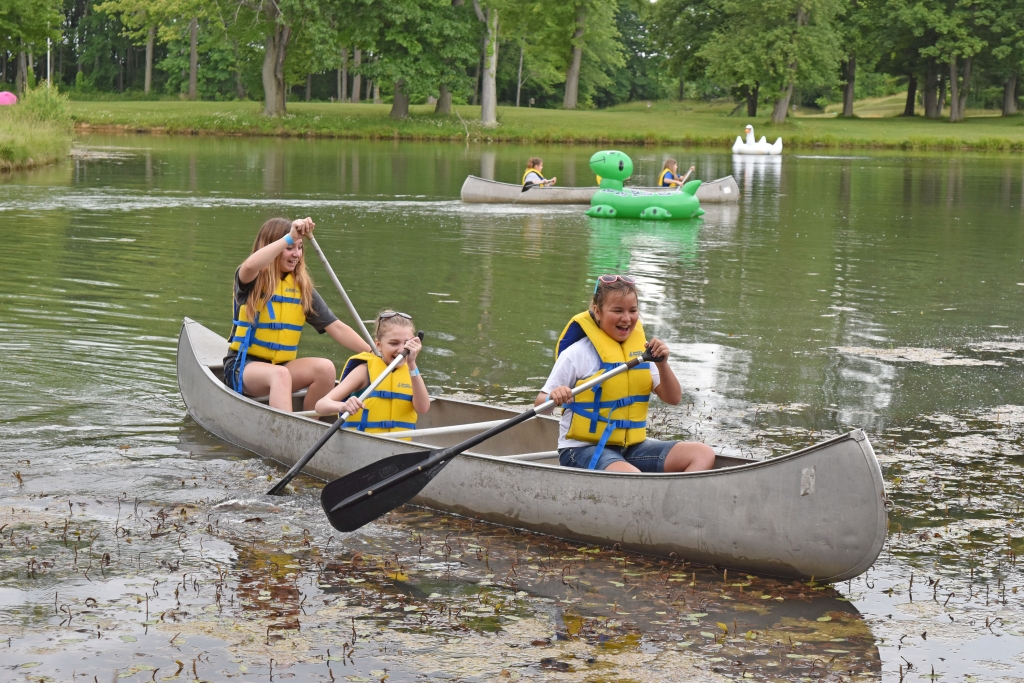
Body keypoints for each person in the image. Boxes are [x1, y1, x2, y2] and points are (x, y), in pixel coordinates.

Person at [535, 275, 716, 473]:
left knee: (702, 454)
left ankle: (675, 501)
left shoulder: (643, 353)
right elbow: (540, 406)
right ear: (597, 311)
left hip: (631, 449)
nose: (627, 318)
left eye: (633, 310)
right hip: (581, 450)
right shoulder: (577, 354)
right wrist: (555, 396)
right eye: (617, 310)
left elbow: (673, 398)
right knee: (632, 476)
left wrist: (663, 364)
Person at [225, 217, 371, 412]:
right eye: (290, 247)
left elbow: (336, 327)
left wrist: (373, 354)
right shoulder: (252, 279)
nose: (297, 254)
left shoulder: (302, 289)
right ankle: (285, 436)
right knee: (280, 375)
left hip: (282, 367)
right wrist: (289, 236)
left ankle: (309, 427)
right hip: (243, 368)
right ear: (274, 247)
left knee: (326, 369)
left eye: (300, 247)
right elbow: (251, 265)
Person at [315, 310, 430, 432]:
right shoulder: (363, 371)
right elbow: (321, 405)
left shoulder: (411, 372)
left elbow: (423, 408)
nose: (401, 349)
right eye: (394, 343)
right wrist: (343, 406)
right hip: (363, 445)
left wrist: (412, 364)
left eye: (406, 343)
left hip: (399, 445)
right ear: (378, 345)